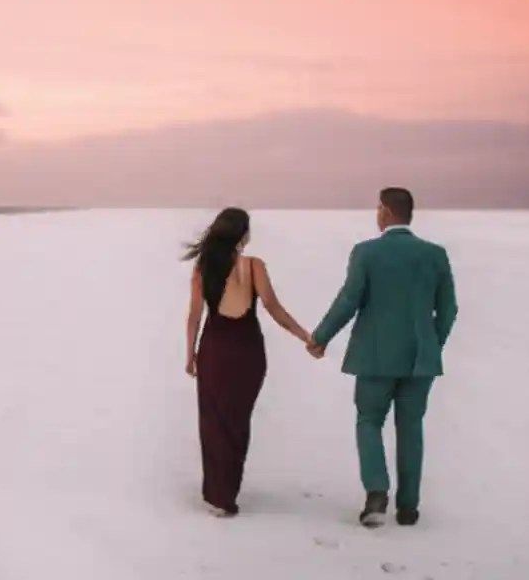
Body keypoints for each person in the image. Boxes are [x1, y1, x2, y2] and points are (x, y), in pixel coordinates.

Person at [308, 188, 458, 528]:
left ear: (386, 212)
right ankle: (408, 508)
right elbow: (448, 308)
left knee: (369, 420)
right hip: (420, 359)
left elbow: (349, 300)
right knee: (411, 428)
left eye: (378, 209)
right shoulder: (435, 254)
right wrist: (433, 343)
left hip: (375, 357)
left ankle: (377, 493)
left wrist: (320, 337)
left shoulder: (366, 253)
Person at [183, 207, 313, 517]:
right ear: (243, 234)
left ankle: (217, 495)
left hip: (214, 349)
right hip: (248, 352)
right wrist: (305, 335)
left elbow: (194, 315)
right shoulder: (254, 267)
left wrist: (190, 354)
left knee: (213, 421)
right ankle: (227, 492)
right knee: (237, 421)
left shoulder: (203, 269)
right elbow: (274, 309)